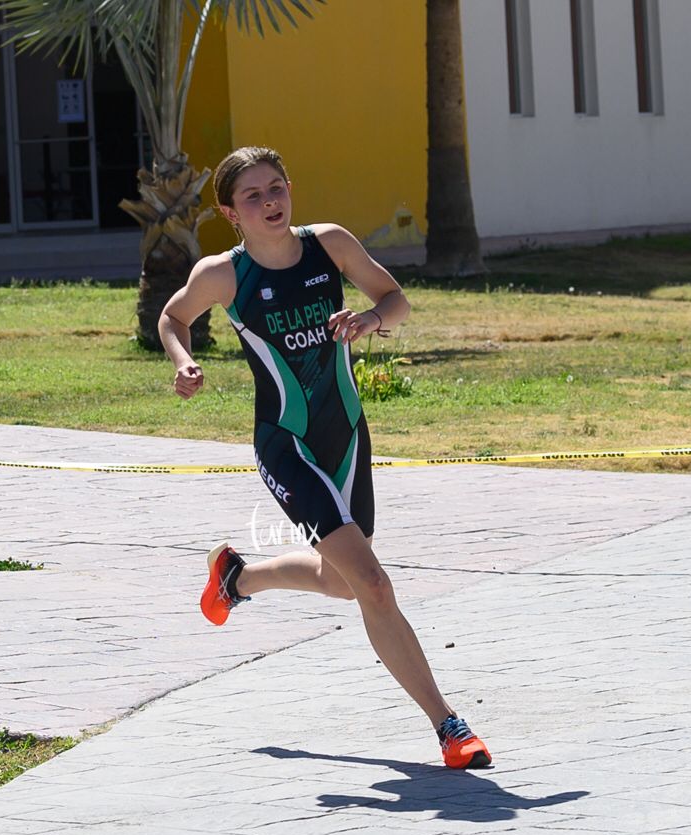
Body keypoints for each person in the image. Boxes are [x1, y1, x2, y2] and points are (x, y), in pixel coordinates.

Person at [158, 146, 491, 770]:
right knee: (372, 582)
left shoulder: (329, 244)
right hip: (287, 443)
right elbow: (172, 318)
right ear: (232, 213)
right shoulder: (222, 274)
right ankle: (449, 726)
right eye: (252, 196)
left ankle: (237, 578)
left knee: (342, 581)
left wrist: (370, 319)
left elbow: (396, 299)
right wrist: (184, 362)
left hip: (347, 436)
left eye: (276, 187)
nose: (270, 202)